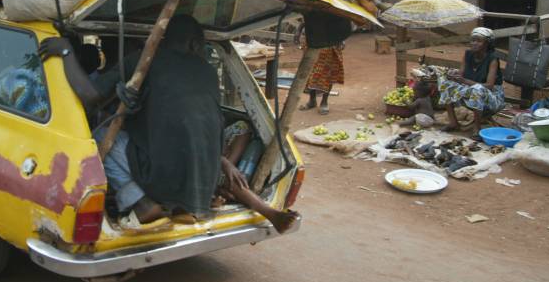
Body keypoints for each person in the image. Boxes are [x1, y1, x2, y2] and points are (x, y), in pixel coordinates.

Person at [40, 15, 295, 233]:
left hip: (163, 179)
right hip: (202, 183)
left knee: (97, 136)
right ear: (195, 44)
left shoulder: (144, 61)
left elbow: (92, 97)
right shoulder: (206, 70)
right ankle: (182, 205)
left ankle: (140, 203)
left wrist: (65, 51)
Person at [440, 27, 504, 133]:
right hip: (471, 89)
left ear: (487, 43)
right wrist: (453, 75)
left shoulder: (492, 59)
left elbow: (489, 86)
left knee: (477, 89)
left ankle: (477, 127)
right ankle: (453, 123)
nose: (474, 43)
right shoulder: (468, 54)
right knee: (445, 83)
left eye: (479, 41)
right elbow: (460, 74)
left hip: (493, 97)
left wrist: (463, 80)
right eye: (473, 40)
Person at [295, 22, 345, 115]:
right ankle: (312, 100)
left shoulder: (335, 11)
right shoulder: (316, 9)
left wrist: (341, 39)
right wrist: (298, 31)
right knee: (310, 72)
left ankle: (324, 101)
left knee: (328, 73)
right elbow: (307, 19)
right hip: (312, 41)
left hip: (330, 43)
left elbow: (342, 24)